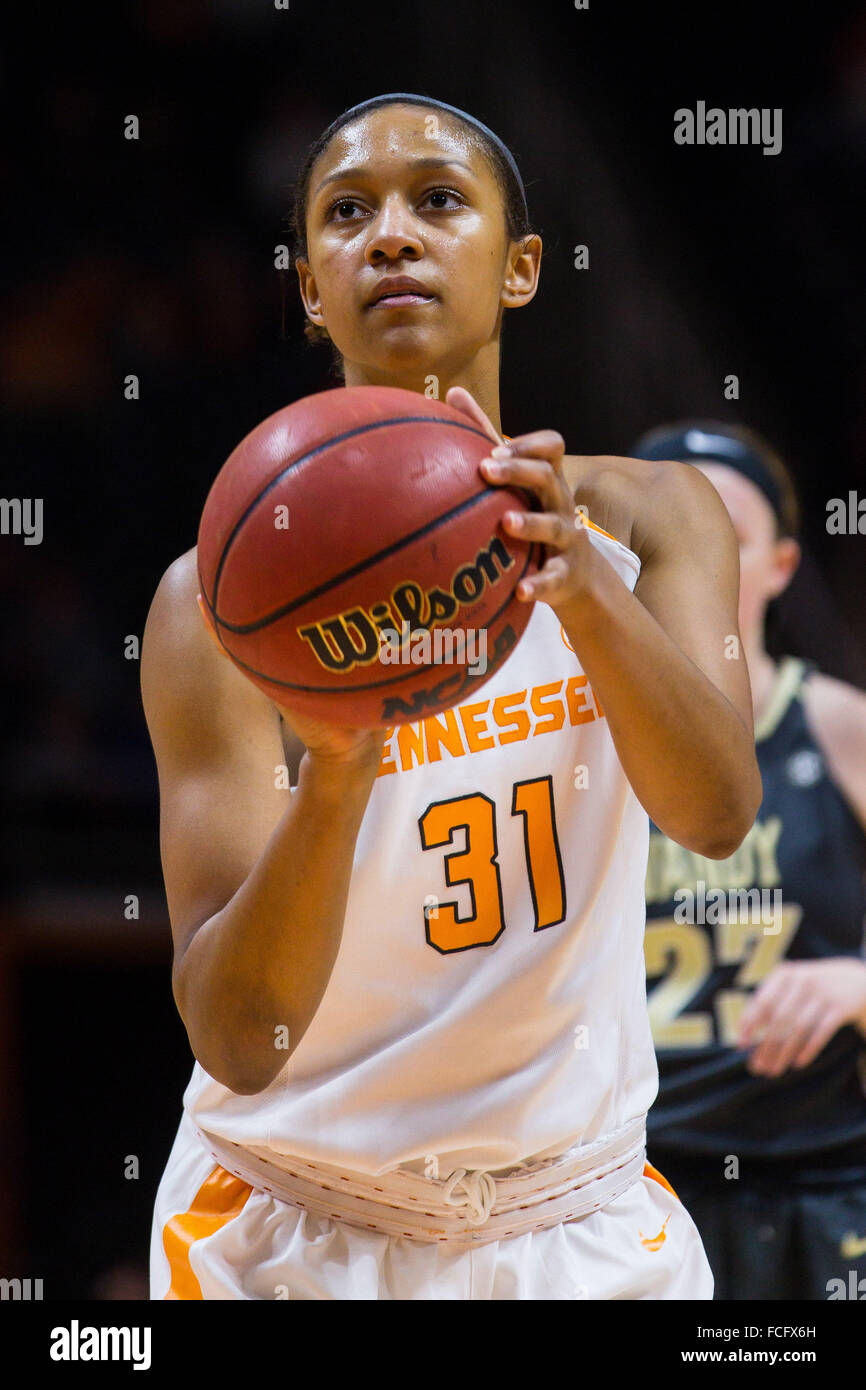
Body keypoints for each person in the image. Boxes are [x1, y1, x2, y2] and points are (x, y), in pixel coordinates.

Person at [142, 92, 760, 1301]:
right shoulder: (212, 604)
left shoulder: (651, 520)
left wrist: (582, 594)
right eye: (346, 213)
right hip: (286, 1225)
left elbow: (716, 815)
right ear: (311, 288)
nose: (388, 235)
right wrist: (336, 771)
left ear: (520, 267)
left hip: (569, 1221)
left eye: (436, 200)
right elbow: (238, 1037)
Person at [633, 420, 866, 1300]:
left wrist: (858, 982)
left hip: (822, 1178)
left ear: (779, 567)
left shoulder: (839, 726)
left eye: (726, 537)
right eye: (667, 537)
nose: (697, 562)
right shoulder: (572, 746)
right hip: (625, 1190)